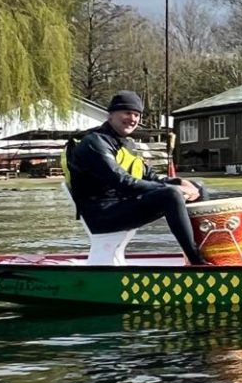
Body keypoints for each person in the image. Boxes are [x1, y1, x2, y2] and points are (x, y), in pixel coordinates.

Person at [64, 90, 208, 265]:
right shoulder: (95, 143)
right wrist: (175, 189)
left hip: (121, 206)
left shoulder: (127, 144)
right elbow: (123, 183)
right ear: (110, 115)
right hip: (101, 215)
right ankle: (196, 261)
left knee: (197, 187)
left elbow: (150, 177)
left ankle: (209, 249)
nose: (132, 118)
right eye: (127, 112)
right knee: (170, 195)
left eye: (136, 114)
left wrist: (179, 182)